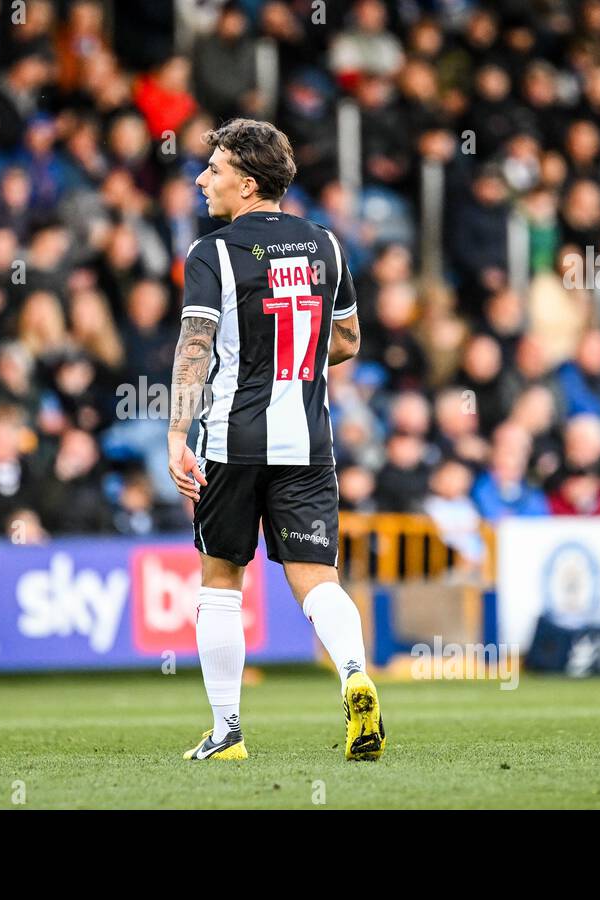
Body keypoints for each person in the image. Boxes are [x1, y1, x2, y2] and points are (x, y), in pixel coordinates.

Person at [167, 118, 383, 763]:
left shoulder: (213, 252)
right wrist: (296, 365)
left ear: (249, 183)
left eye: (216, 168)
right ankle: (353, 676)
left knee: (220, 579)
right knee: (318, 579)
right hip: (308, 443)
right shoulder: (327, 246)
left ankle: (227, 732)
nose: (204, 179)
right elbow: (347, 342)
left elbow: (196, 347)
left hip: (231, 441)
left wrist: (177, 430)